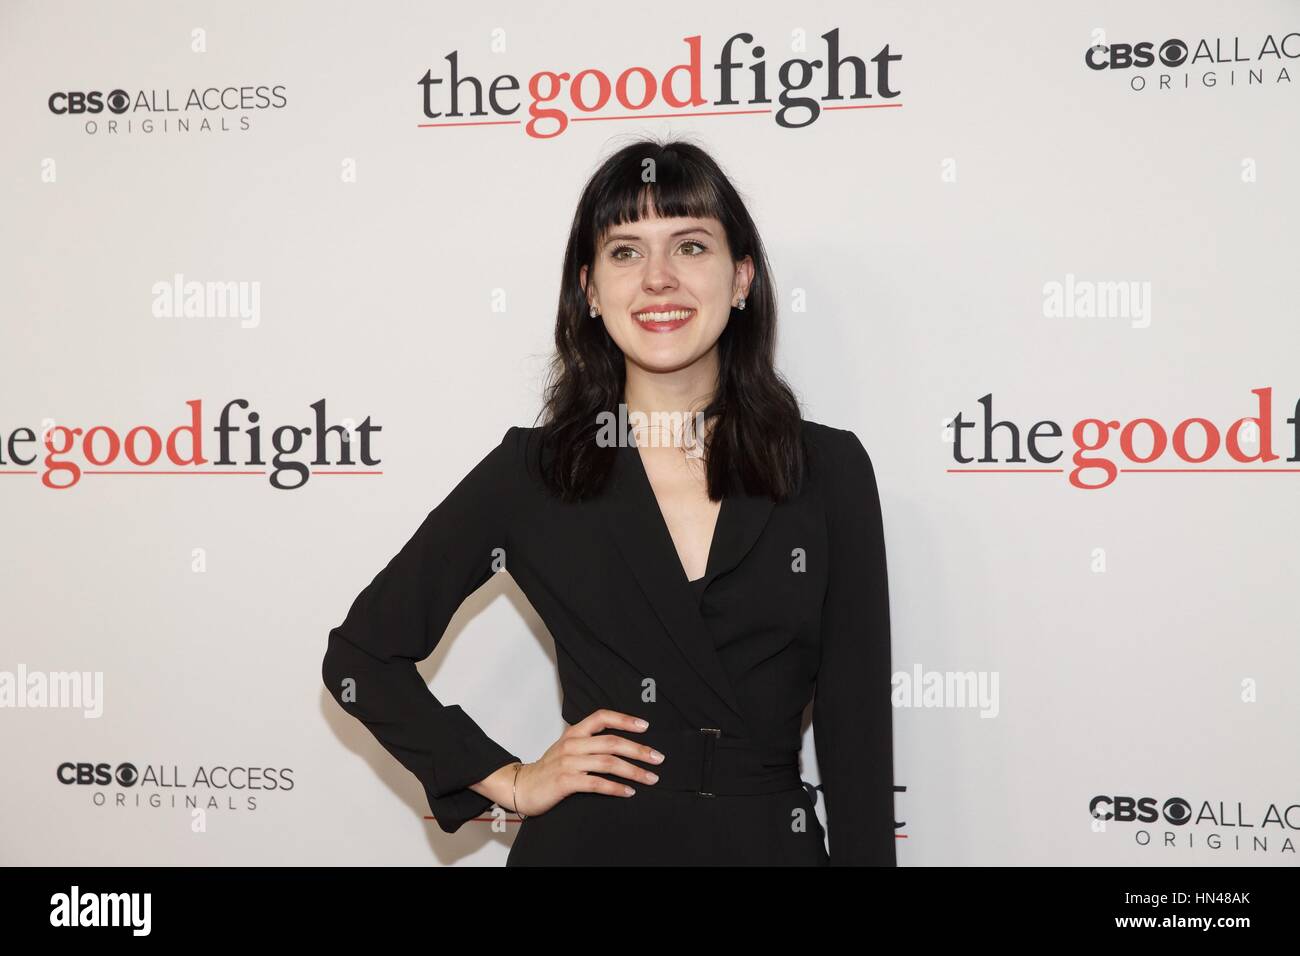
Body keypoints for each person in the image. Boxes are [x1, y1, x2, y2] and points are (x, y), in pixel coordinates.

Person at [321, 136, 896, 865]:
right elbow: (361, 658)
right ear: (590, 292)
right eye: (626, 252)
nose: (658, 279)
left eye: (690, 247)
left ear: (742, 278)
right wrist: (512, 781)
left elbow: (856, 734)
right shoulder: (534, 472)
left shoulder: (828, 469)